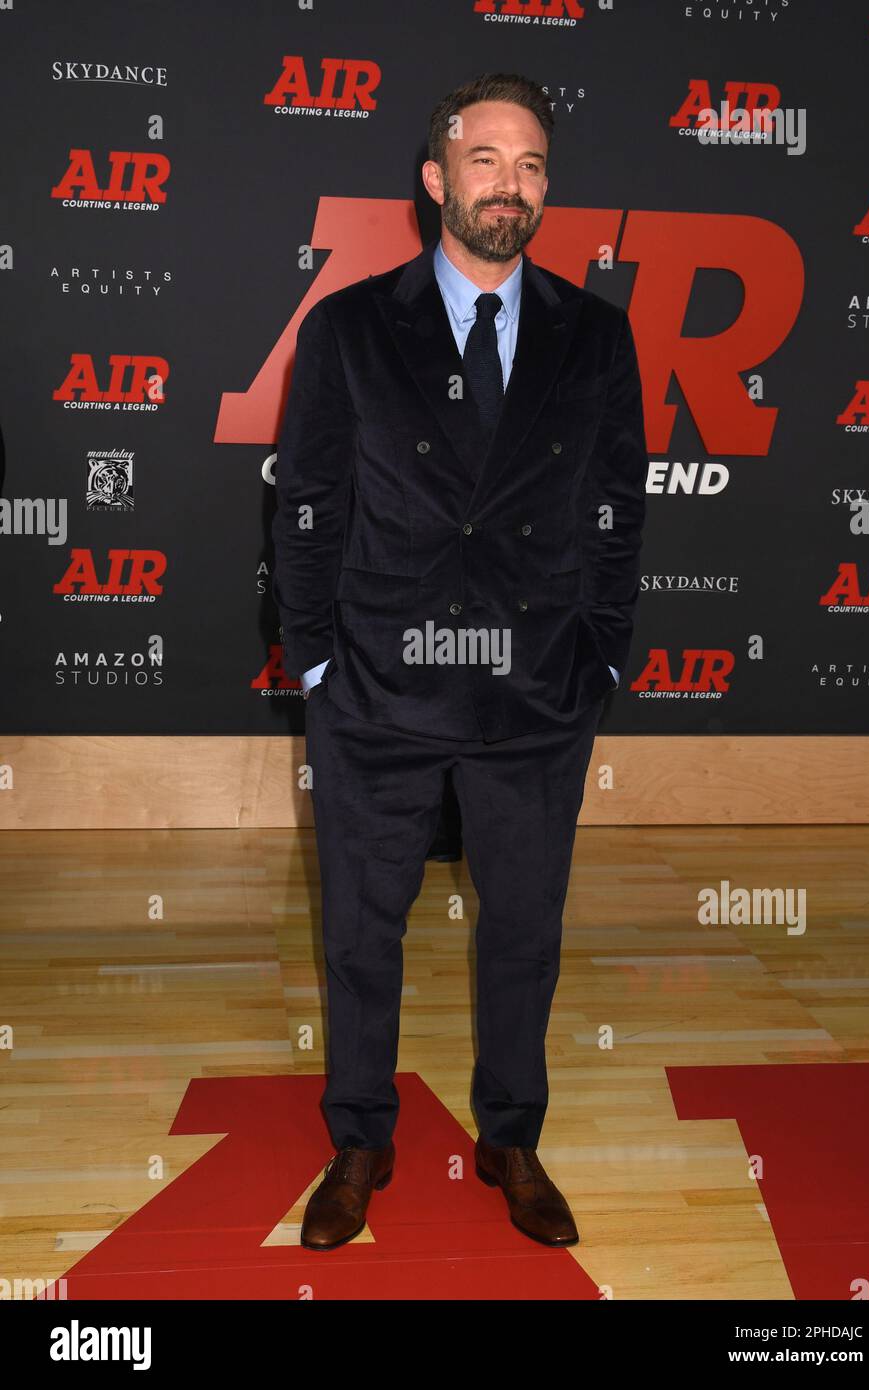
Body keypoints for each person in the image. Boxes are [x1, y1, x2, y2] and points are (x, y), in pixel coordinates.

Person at [272, 71, 648, 1251]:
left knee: (524, 927)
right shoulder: (347, 328)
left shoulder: (596, 334)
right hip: (379, 685)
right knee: (359, 929)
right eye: (486, 160)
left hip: (536, 688)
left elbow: (615, 504)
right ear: (436, 180)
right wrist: (320, 665)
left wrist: (600, 657)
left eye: (532, 165)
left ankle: (511, 1135)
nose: (511, 185)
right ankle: (360, 1138)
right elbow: (309, 504)